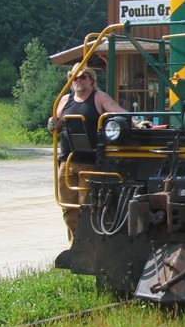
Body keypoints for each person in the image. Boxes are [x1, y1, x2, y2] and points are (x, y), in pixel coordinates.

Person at [47, 65, 126, 242]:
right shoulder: (65, 100)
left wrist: (137, 122)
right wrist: (52, 124)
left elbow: (121, 114)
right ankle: (76, 244)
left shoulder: (98, 98)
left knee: (86, 205)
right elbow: (57, 124)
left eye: (83, 77)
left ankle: (87, 244)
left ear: (91, 80)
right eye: (75, 77)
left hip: (90, 162)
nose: (78, 81)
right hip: (67, 161)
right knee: (68, 206)